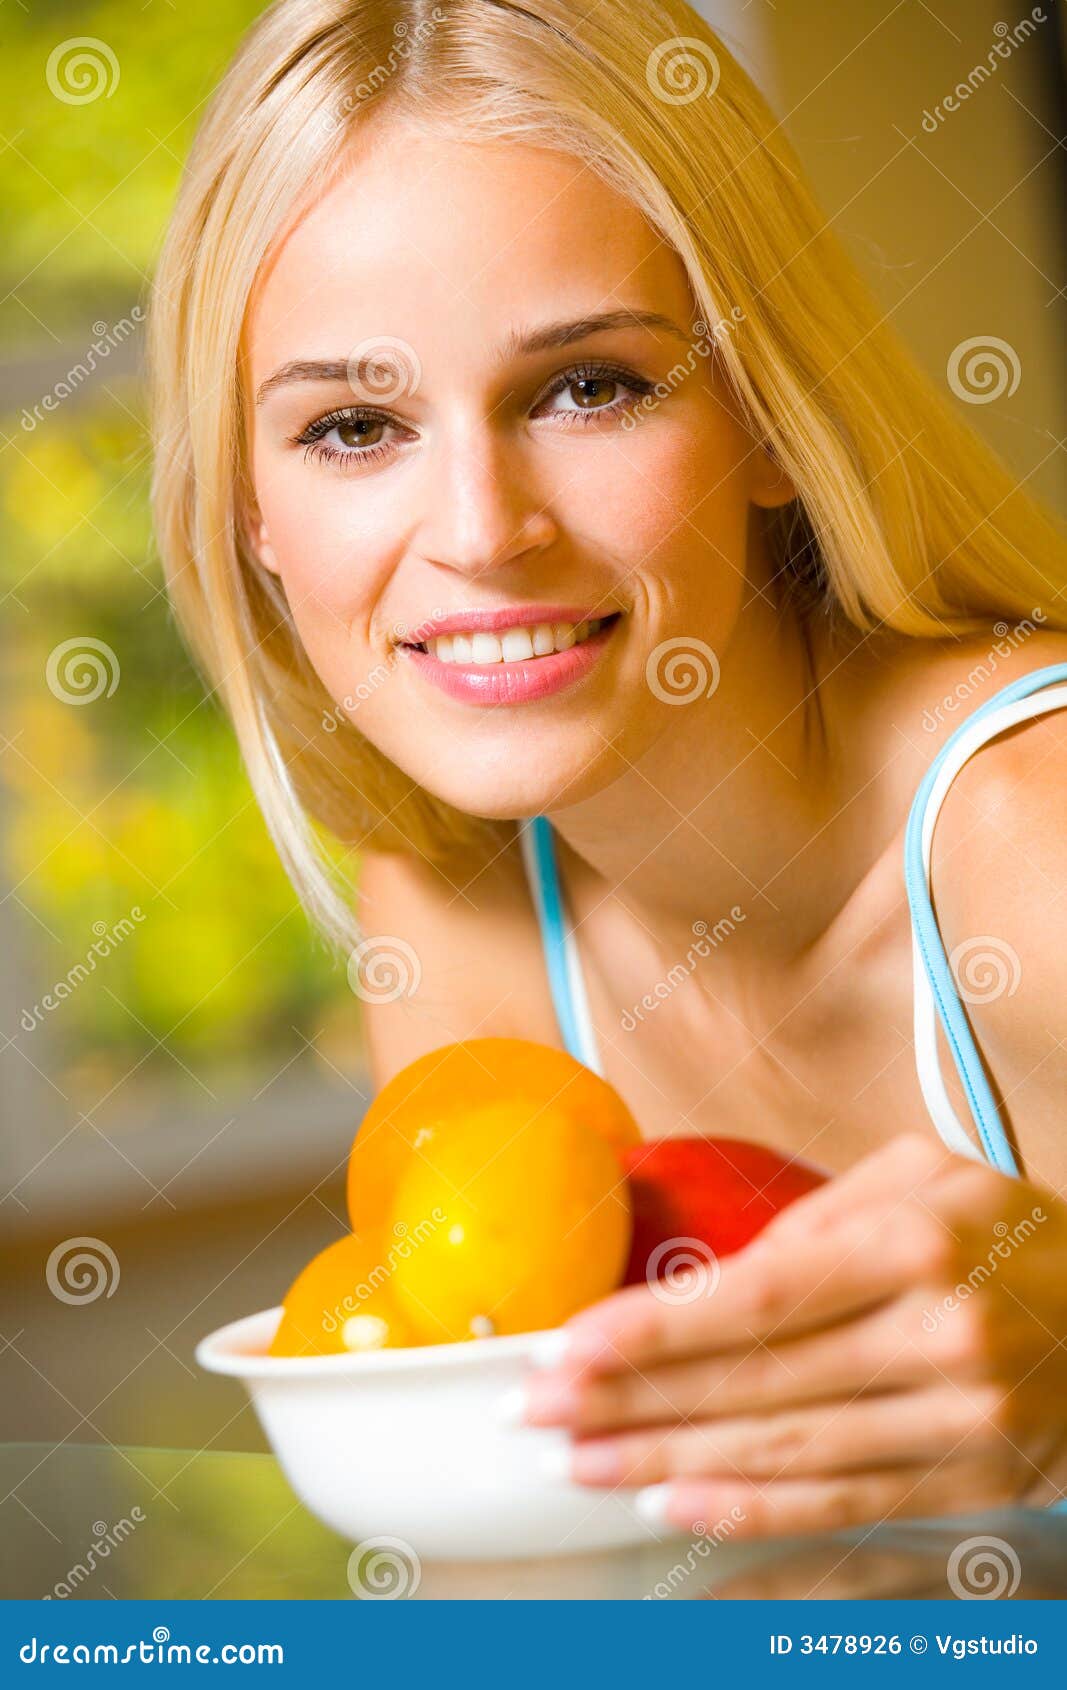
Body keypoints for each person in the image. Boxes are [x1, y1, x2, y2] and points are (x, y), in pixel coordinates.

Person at [147, 0, 1067, 1540]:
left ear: (774, 407)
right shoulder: (453, 917)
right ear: (250, 507)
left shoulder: (1035, 840)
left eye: (589, 387)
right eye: (355, 423)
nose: (481, 530)